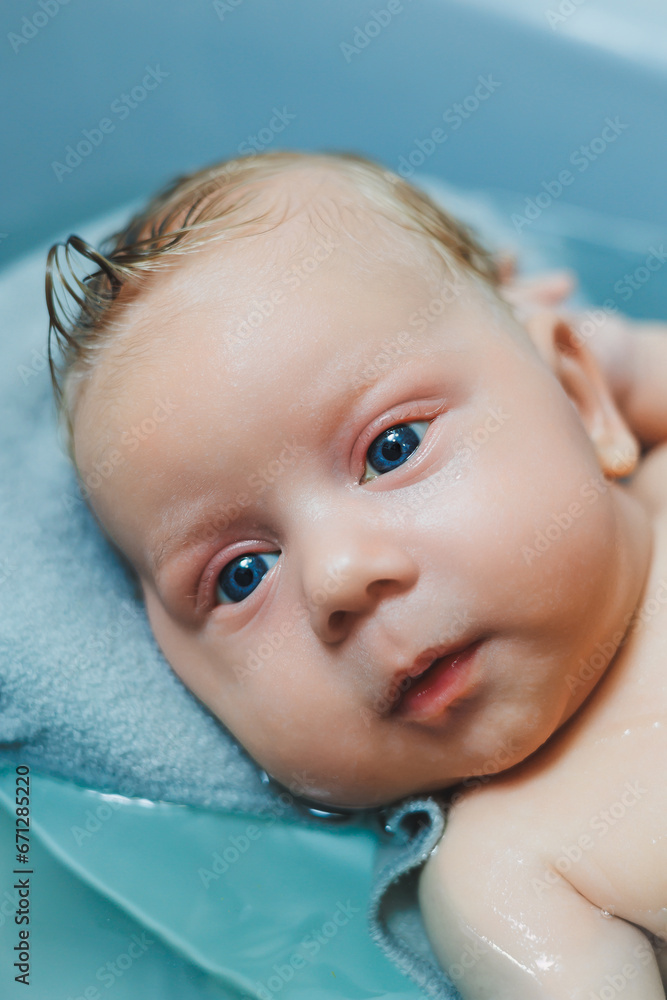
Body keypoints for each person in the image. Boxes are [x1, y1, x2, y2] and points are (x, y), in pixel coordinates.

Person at [46, 150, 667, 996]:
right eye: (241, 576)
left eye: (392, 448)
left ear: (575, 387)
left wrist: (619, 365)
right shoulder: (509, 878)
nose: (337, 579)